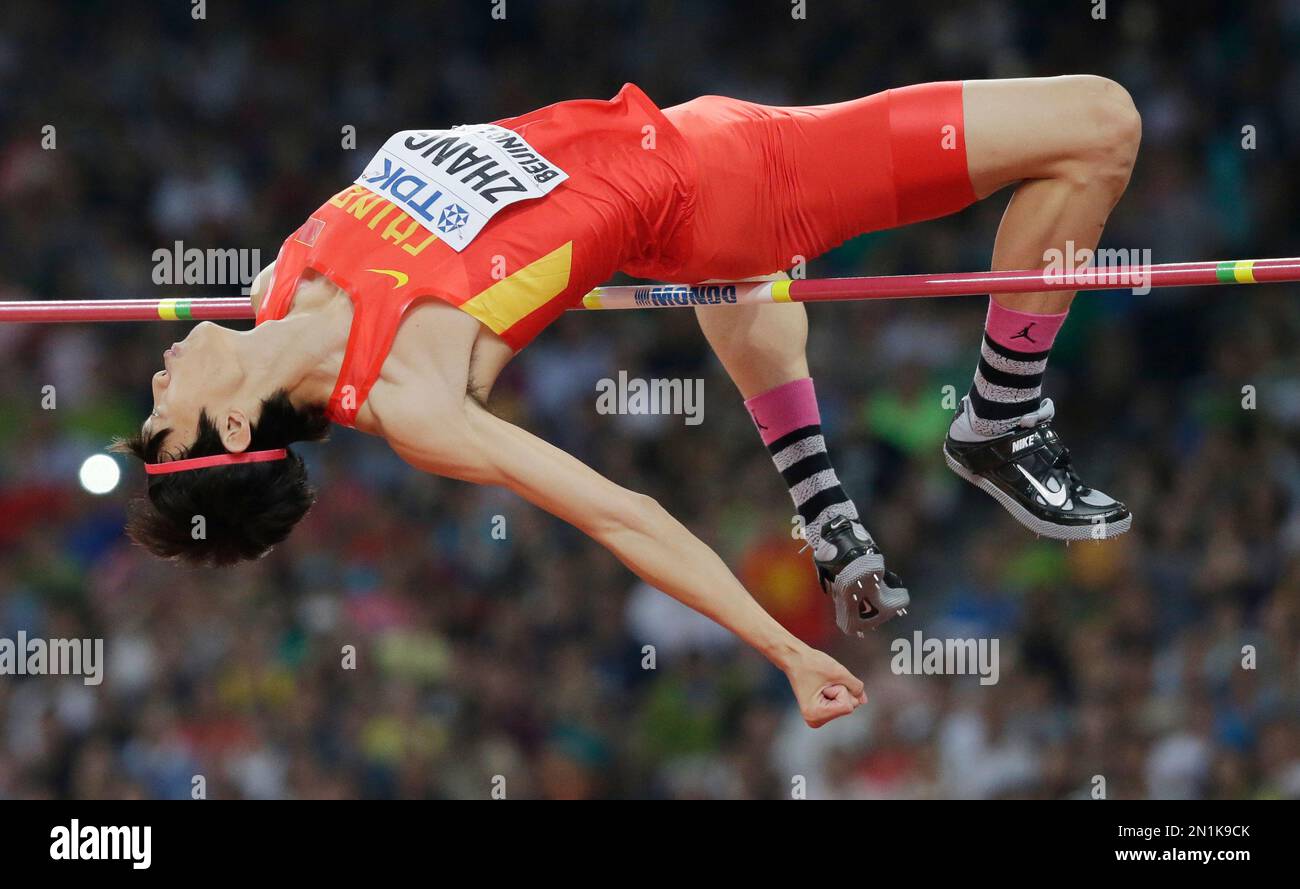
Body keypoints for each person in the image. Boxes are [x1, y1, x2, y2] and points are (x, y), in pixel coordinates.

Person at [114, 76, 1140, 728]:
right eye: (162, 417)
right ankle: (1001, 415)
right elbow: (623, 514)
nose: (154, 382)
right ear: (235, 429)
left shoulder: (277, 287)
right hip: (744, 178)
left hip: (694, 152)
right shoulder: (410, 396)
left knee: (742, 290)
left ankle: (827, 510)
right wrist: (783, 648)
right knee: (1100, 124)